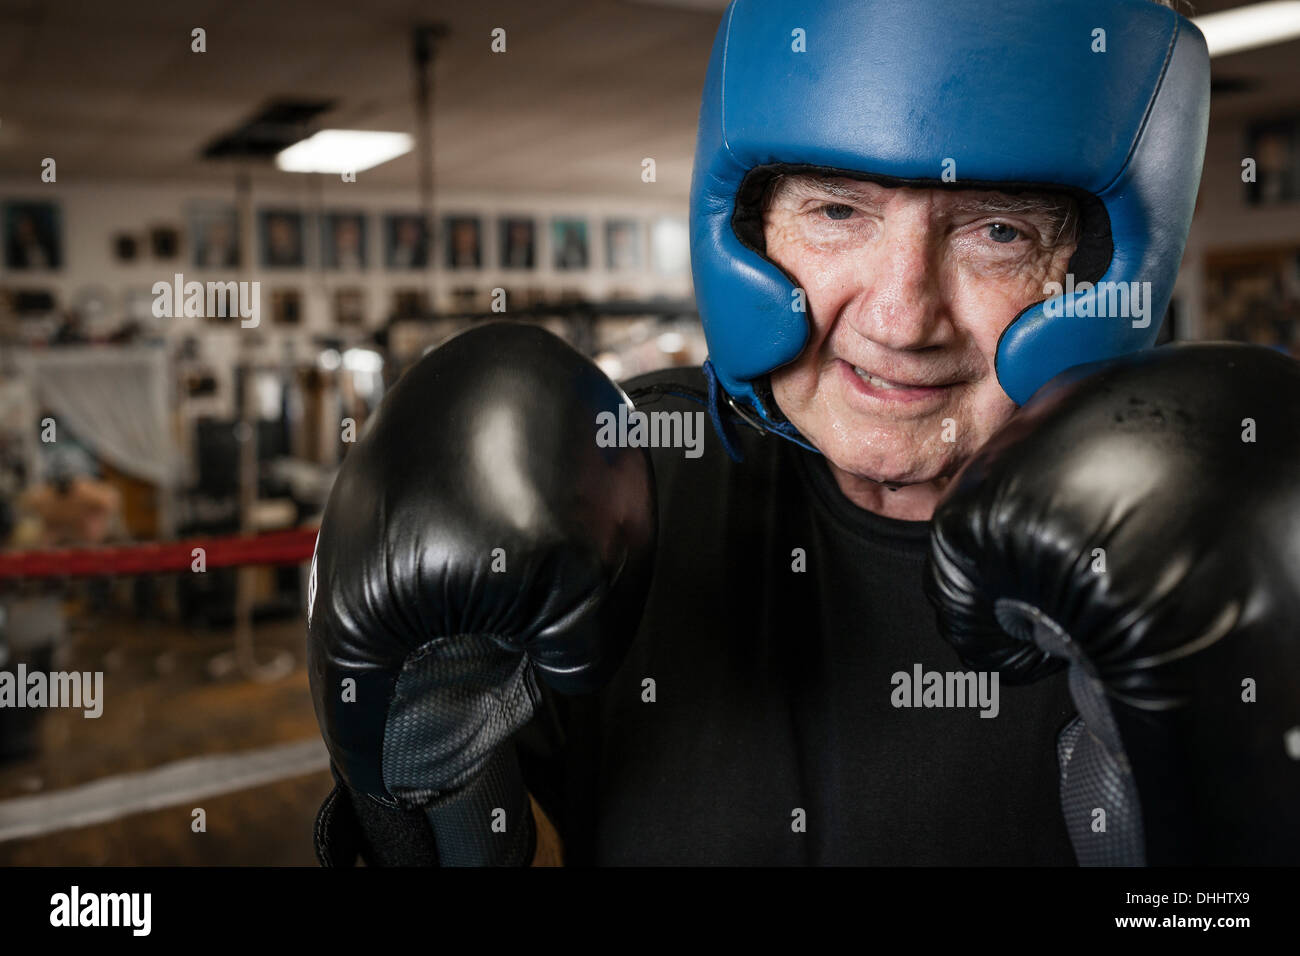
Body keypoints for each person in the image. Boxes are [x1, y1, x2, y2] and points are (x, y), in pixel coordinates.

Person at [306, 0, 1298, 866]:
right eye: (835, 210)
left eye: (997, 231)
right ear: (746, 230)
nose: (901, 317)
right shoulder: (619, 479)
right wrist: (415, 793)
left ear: (1102, 267)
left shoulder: (1212, 523)